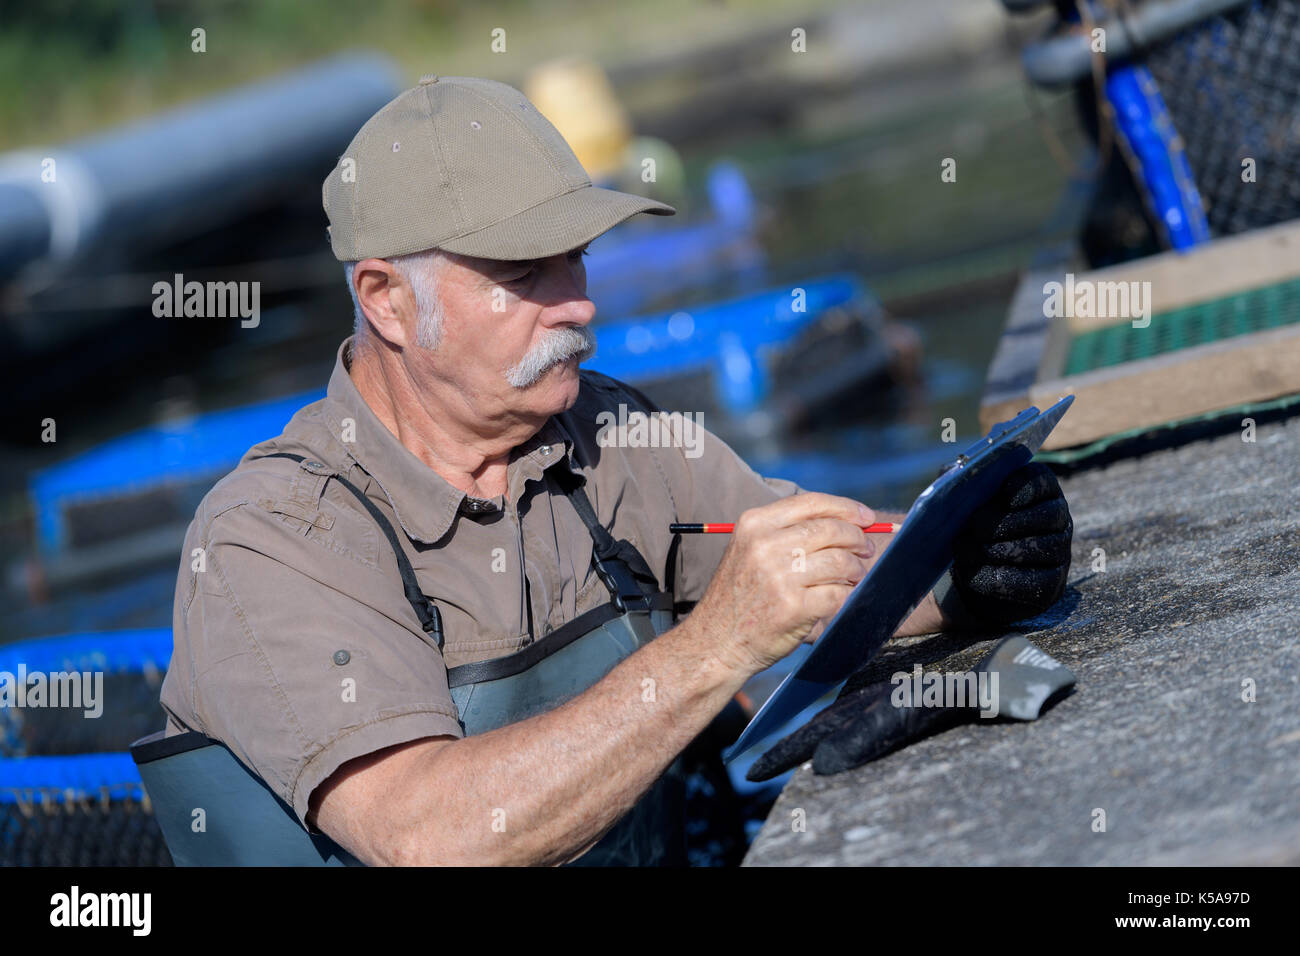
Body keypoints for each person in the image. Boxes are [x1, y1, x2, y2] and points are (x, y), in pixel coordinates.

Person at [158, 75, 1071, 866]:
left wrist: (967, 561)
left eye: (576, 258)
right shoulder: (271, 537)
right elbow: (432, 839)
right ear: (387, 300)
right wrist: (717, 645)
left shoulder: (607, 431)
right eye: (525, 273)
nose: (579, 304)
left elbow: (816, 576)